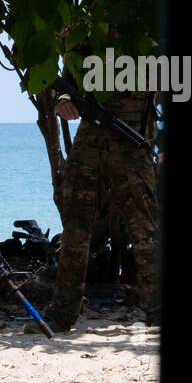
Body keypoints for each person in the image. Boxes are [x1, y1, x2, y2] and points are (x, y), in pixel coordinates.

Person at [48, 89, 160, 329]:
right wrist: (63, 99)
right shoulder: (86, 49)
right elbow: (66, 80)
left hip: (133, 136)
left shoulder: (147, 49)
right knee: (75, 228)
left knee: (146, 229)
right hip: (91, 136)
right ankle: (62, 313)